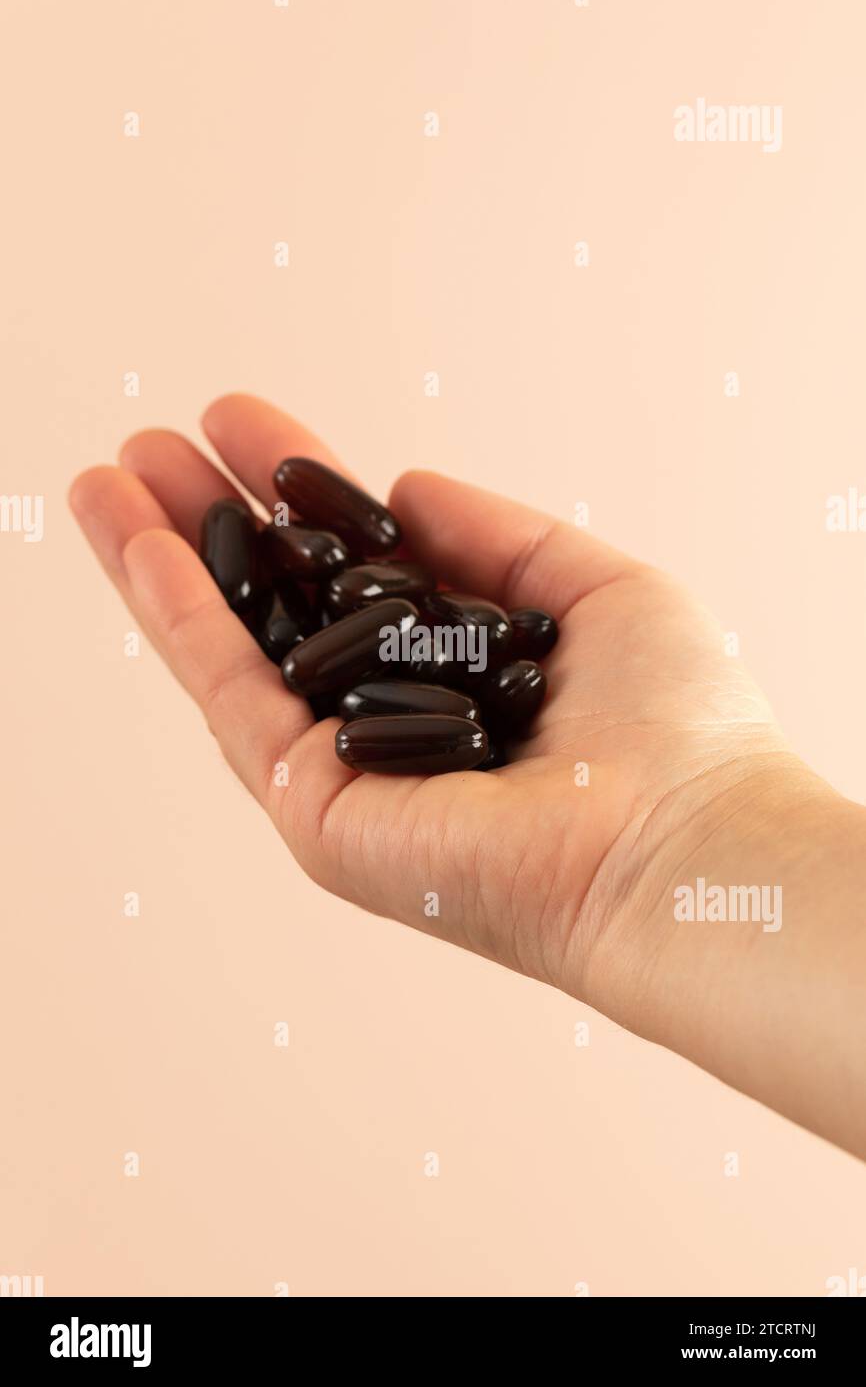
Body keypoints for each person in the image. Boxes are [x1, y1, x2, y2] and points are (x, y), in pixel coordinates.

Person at [70, 393, 866, 1162]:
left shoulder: (448, 655)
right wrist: (680, 842)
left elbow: (390, 649)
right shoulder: (378, 631)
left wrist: (683, 832)